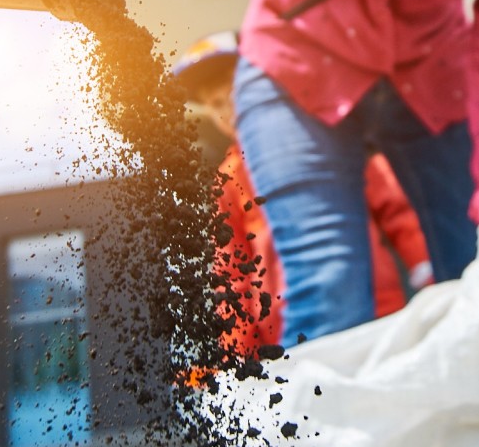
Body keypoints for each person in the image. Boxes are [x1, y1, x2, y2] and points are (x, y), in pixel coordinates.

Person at [126, 0, 479, 447]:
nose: (221, 110)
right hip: (297, 65)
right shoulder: (234, 177)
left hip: (430, 70)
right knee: (328, 282)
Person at [172, 31, 435, 355]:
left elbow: (397, 207)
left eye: (236, 90)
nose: (230, 107)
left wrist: (425, 266)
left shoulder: (325, 136)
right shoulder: (227, 182)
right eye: (215, 103)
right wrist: (238, 356)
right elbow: (231, 276)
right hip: (289, 332)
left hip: (374, 314)